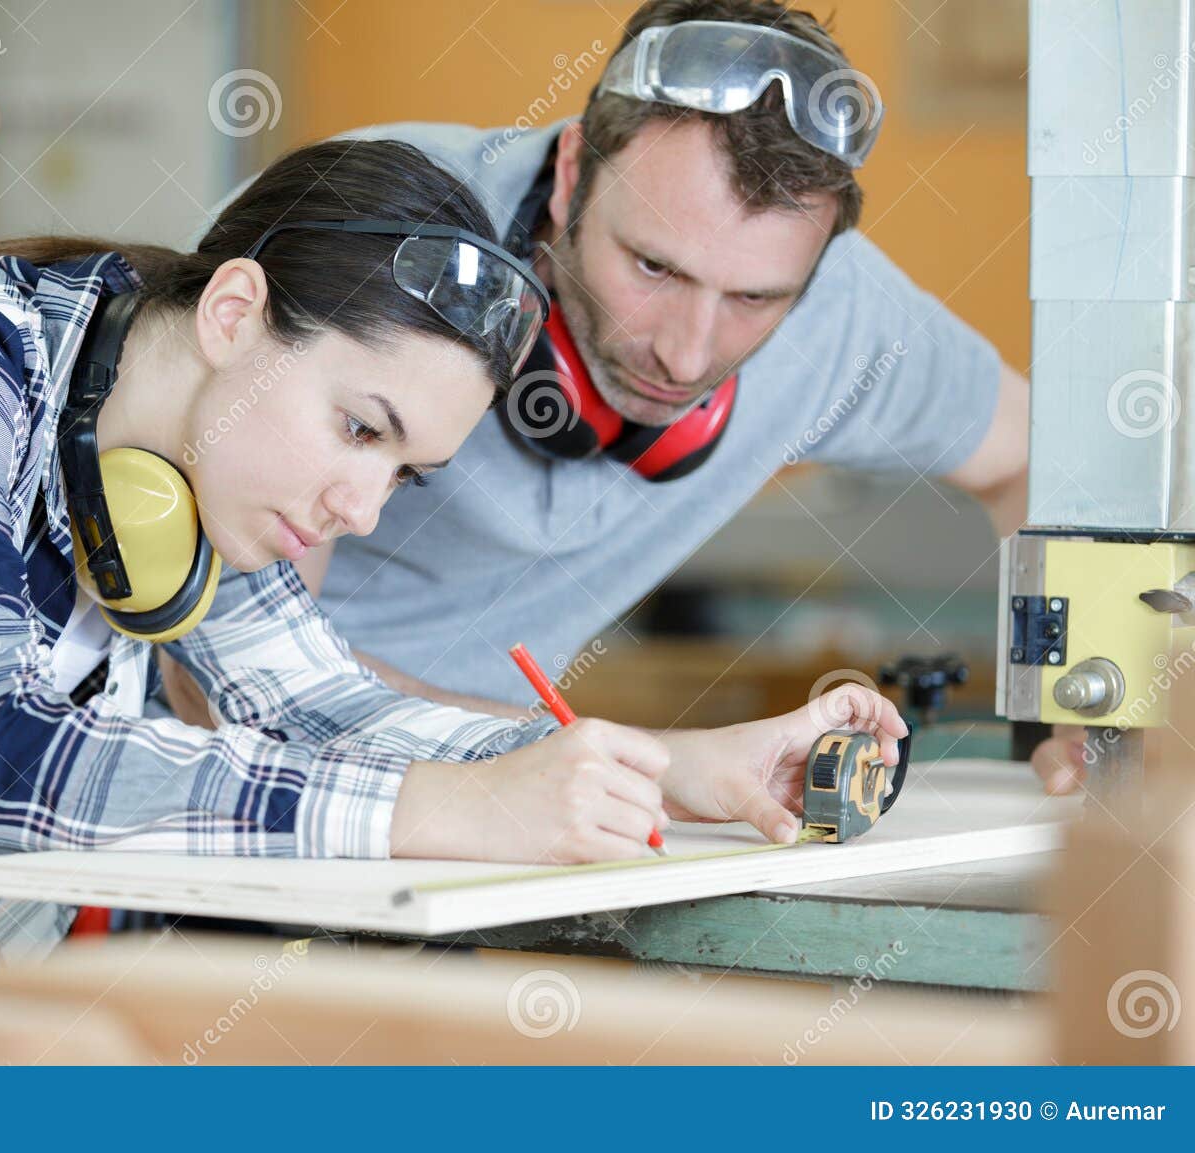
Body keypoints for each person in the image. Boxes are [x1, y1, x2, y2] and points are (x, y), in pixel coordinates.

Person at [0, 135, 907, 1051]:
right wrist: (444, 810)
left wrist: (674, 770)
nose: (363, 507)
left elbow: (321, 705)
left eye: (407, 467)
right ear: (233, 314)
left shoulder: (197, 466)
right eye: (360, 427)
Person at [172, 0, 1082, 791]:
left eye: (755, 299)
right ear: (572, 174)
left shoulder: (846, 318)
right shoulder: (381, 234)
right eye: (653, 265)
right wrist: (650, 765)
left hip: (492, 797)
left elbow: (1044, 459)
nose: (686, 356)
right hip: (215, 785)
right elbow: (237, 692)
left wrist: (1066, 703)